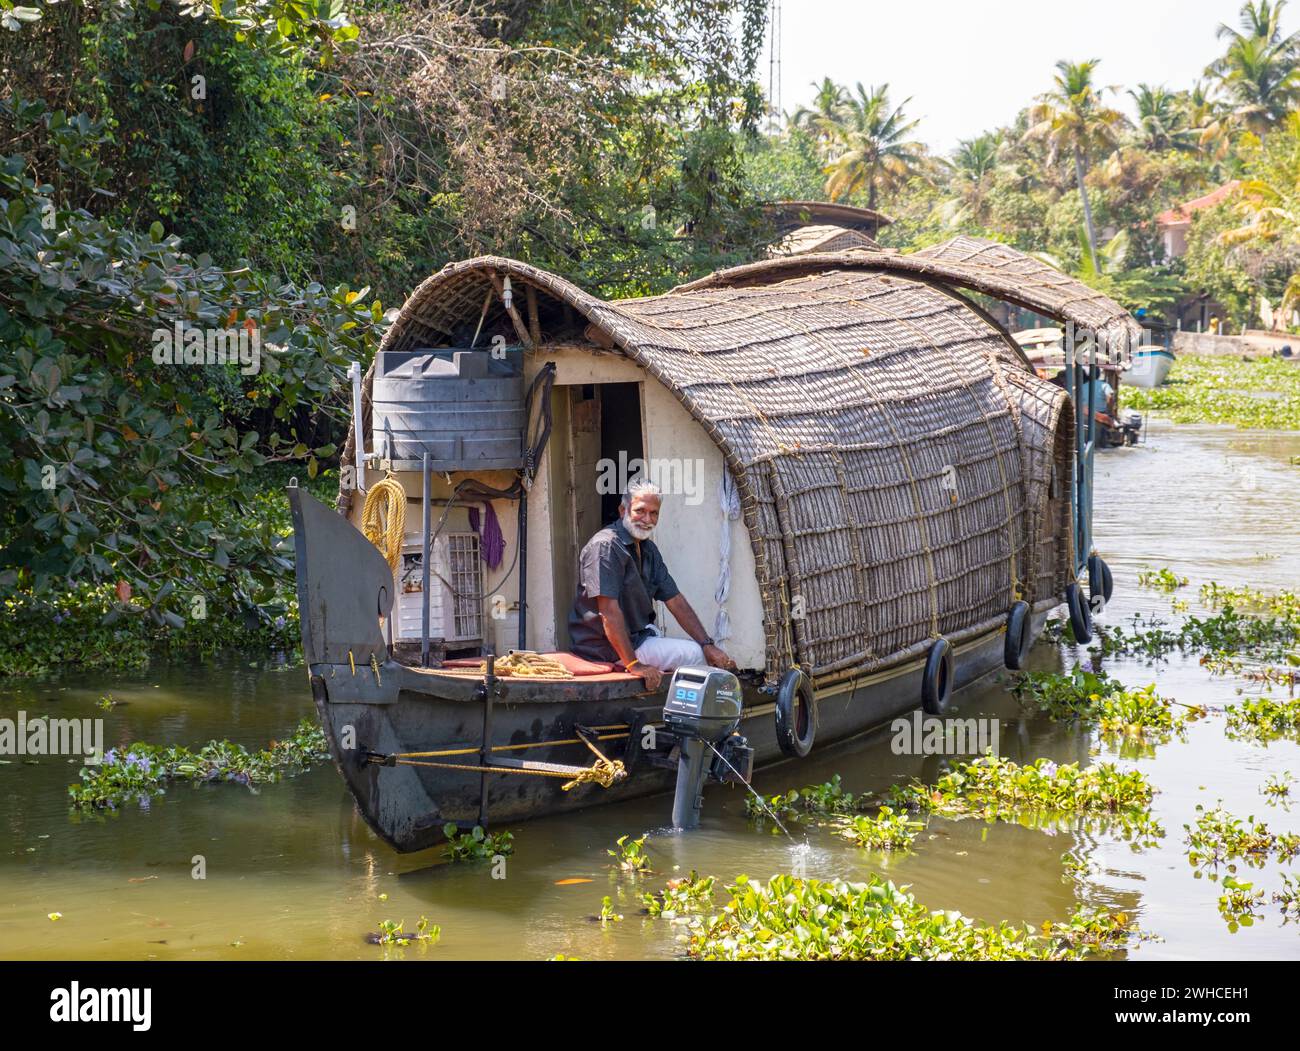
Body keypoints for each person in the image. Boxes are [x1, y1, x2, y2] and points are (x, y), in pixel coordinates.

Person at [567, 478, 736, 692]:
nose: (647, 519)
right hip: (604, 648)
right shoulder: (606, 546)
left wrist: (707, 643)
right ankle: (687, 719)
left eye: (654, 513)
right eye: (640, 511)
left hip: (638, 635)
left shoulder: (647, 549)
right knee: (694, 655)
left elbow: (674, 600)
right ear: (623, 510)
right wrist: (633, 664)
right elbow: (608, 612)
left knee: (698, 648)